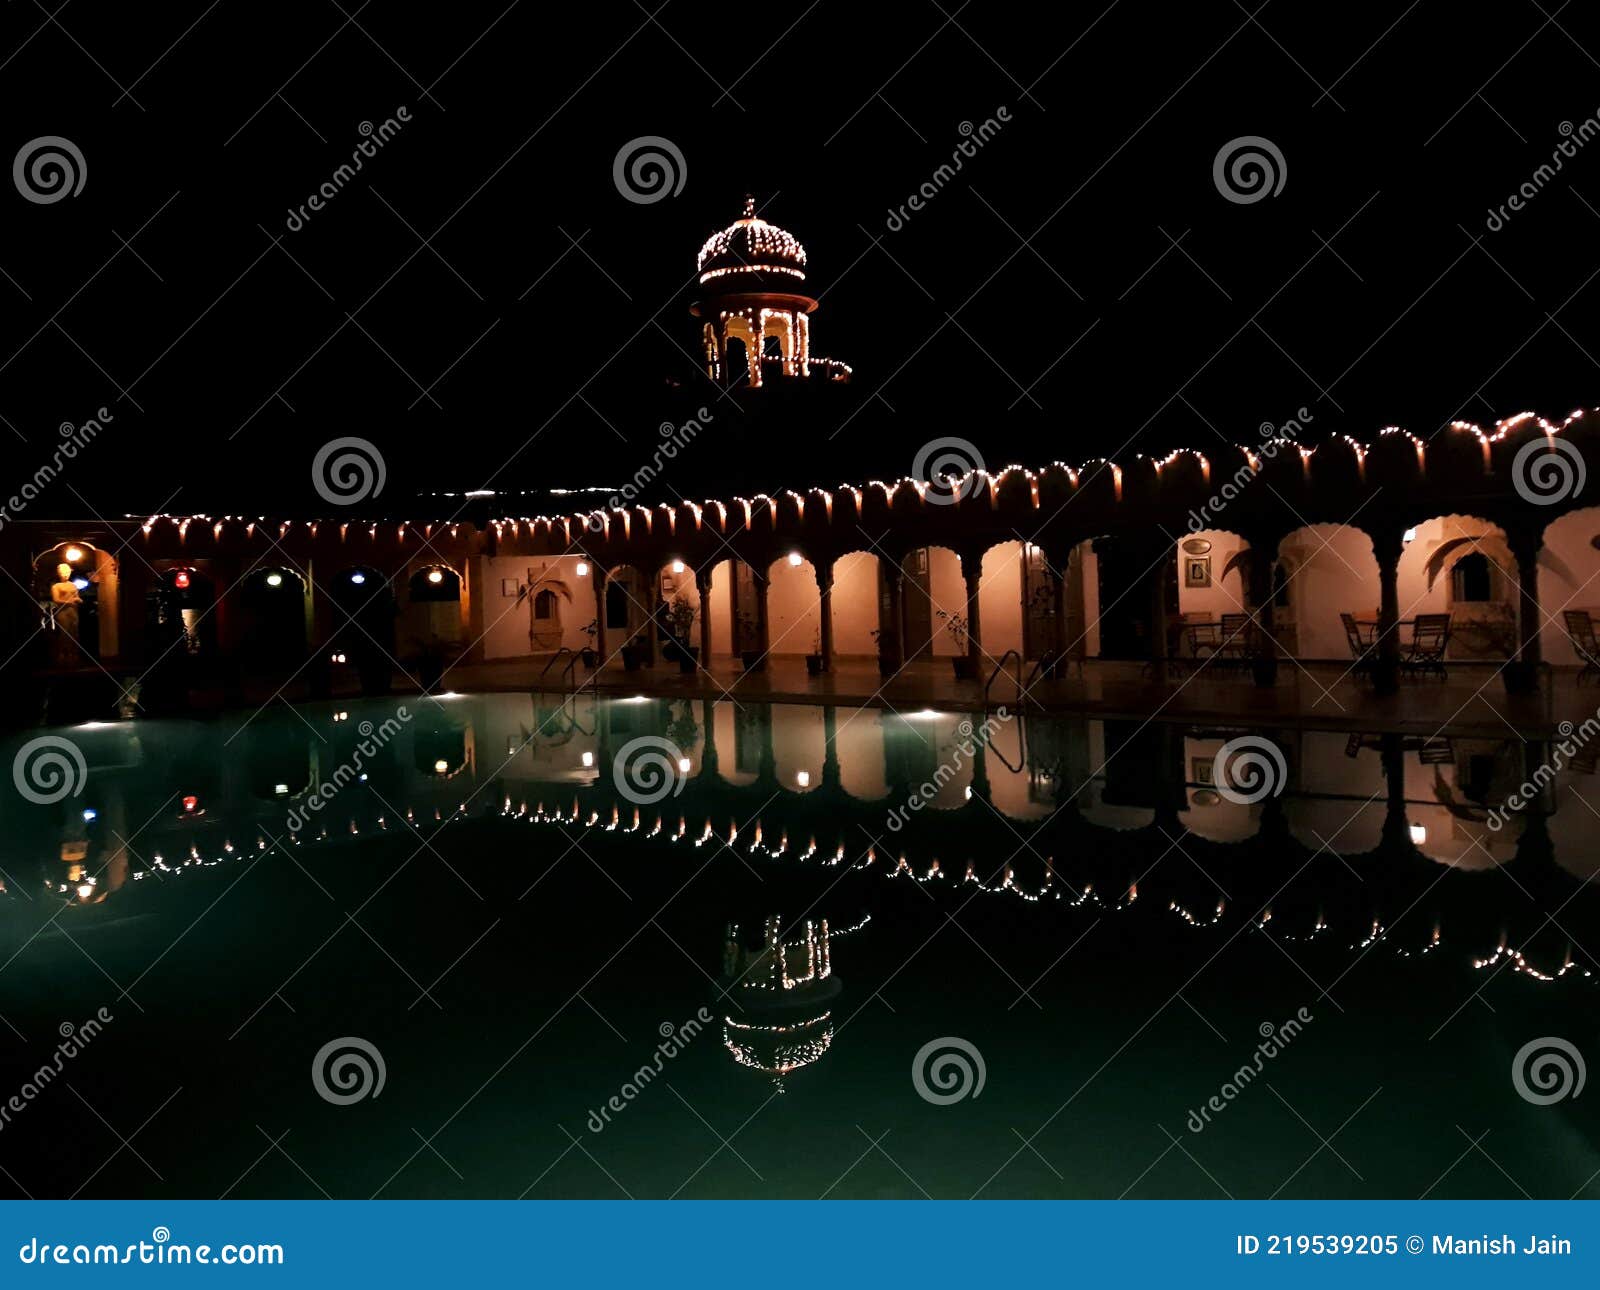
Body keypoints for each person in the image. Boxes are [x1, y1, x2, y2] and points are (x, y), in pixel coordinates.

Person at [49, 563, 82, 667]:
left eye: (67, 572)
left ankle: (73, 653)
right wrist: (69, 602)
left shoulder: (73, 585)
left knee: (74, 632)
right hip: (63, 612)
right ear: (59, 573)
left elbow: (77, 597)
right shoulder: (56, 586)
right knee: (64, 633)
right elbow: (56, 599)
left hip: (73, 611)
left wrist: (78, 599)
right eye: (63, 573)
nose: (66, 574)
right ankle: (63, 653)